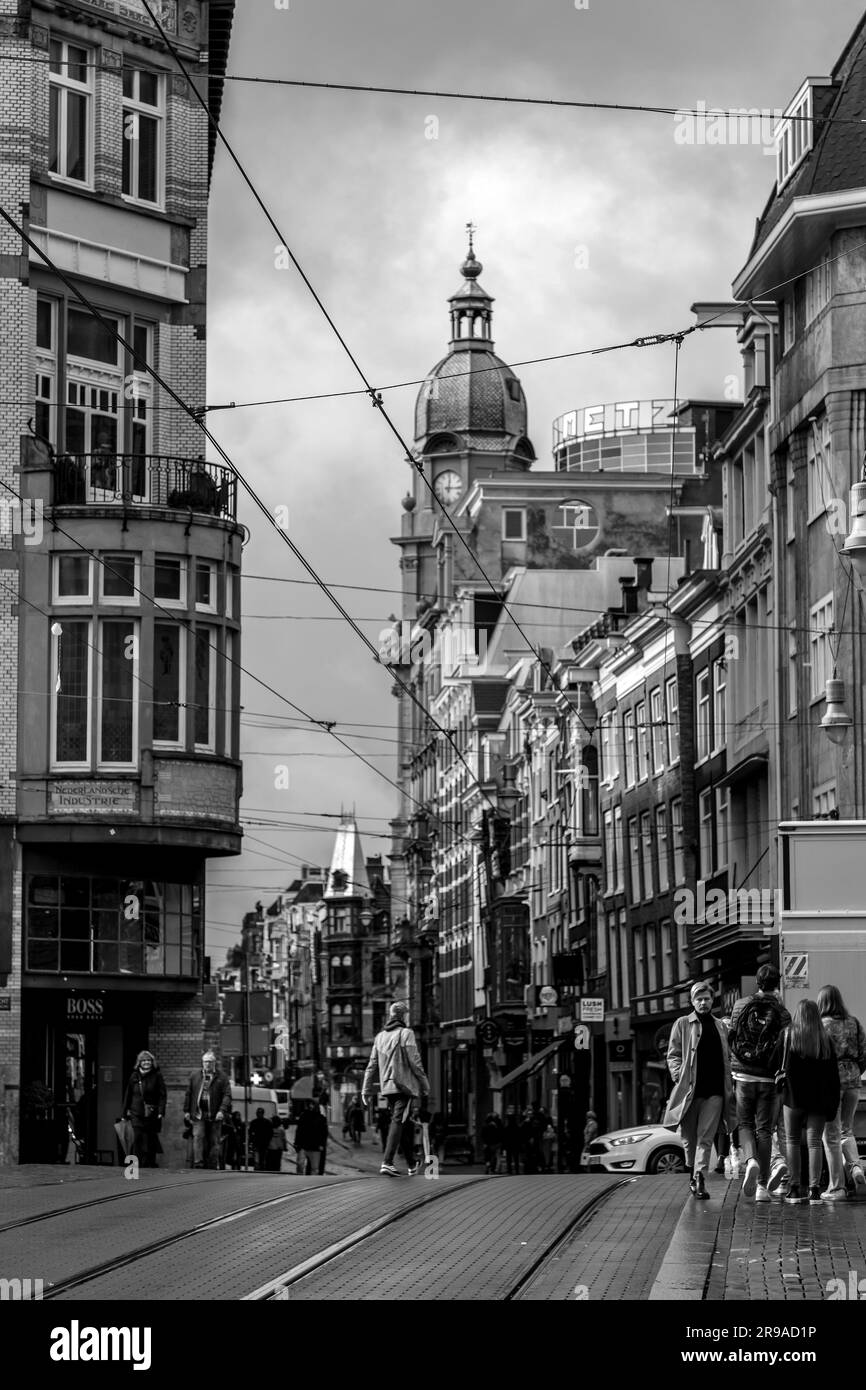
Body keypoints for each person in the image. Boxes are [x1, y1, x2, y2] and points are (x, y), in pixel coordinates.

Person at [663, 981, 734, 1200]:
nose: (703, 1003)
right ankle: (693, 1175)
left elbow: (728, 1056)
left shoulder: (721, 1026)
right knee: (689, 1138)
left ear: (713, 1000)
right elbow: (673, 1054)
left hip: (715, 1092)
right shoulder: (682, 1024)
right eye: (699, 999)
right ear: (692, 1002)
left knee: (705, 1137)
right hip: (689, 1092)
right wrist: (677, 1075)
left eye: (707, 999)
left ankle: (701, 1178)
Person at [728, 964, 791, 1203]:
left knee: (744, 1123)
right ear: (777, 983)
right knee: (765, 1129)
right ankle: (763, 1186)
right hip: (769, 1076)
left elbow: (732, 1034)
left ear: (757, 981)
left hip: (743, 1076)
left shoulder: (740, 1005)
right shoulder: (782, 1012)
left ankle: (750, 1159)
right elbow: (786, 1045)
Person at [774, 998, 840, 1204]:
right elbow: (833, 1077)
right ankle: (813, 1190)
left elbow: (773, 1063)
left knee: (792, 1141)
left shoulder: (787, 1035)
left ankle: (794, 1189)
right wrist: (833, 1104)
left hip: (793, 1099)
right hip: (818, 1101)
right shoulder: (825, 1040)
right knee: (814, 1144)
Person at [361, 1000, 431, 1177]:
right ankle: (387, 1162)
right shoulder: (406, 1033)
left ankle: (411, 1163)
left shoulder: (379, 1037)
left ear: (390, 1015)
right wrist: (425, 1084)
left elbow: (371, 1065)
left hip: (387, 1087)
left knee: (402, 1123)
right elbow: (415, 1063)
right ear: (403, 1016)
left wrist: (366, 1089)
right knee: (398, 1120)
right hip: (403, 1087)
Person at [818, 984, 866, 1200]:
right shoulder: (854, 1022)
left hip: (830, 1083)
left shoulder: (821, 1025)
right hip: (854, 1080)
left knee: (831, 1135)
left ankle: (836, 1187)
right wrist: (855, 1072)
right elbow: (864, 1053)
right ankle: (855, 1167)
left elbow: (817, 1058)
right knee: (847, 1129)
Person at [183, 1051, 231, 1170]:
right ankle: (198, 1164)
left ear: (214, 1063)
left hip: (215, 1114)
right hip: (198, 1114)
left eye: (210, 1062)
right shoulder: (195, 1076)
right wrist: (187, 1111)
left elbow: (227, 1095)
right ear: (202, 1063)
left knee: (214, 1141)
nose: (207, 1064)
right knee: (198, 1137)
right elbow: (189, 1093)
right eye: (205, 1062)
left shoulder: (222, 1077)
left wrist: (222, 1111)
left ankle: (212, 1164)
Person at [122, 1050, 166, 1169]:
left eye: (149, 1060)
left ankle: (149, 1163)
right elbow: (128, 1094)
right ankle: (137, 1164)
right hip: (136, 1113)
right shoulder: (134, 1076)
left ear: (152, 1062)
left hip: (151, 1113)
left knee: (150, 1139)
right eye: (144, 1060)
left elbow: (162, 1095)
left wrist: (161, 1111)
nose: (146, 1062)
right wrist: (124, 1112)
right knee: (137, 1138)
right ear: (139, 1062)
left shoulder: (157, 1076)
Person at [294, 1099, 328, 1175]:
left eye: (312, 1105)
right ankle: (299, 1178)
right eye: (309, 1105)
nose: (310, 1106)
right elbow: (299, 1130)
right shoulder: (303, 1116)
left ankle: (312, 1181)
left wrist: (322, 1144)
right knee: (300, 1164)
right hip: (303, 1145)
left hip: (315, 1146)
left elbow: (324, 1133)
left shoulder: (321, 1119)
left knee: (314, 1168)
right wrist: (296, 1142)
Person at [249, 1107, 273, 1172]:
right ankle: (258, 1168)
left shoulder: (266, 1122)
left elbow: (270, 1133)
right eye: (258, 1113)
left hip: (263, 1144)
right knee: (258, 1159)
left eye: (260, 1113)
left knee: (262, 1158)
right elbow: (250, 1133)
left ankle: (261, 1168)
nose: (259, 1114)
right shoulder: (254, 1122)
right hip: (257, 1143)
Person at [503, 1106, 522, 1174]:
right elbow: (519, 1137)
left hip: (509, 1145)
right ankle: (516, 1170)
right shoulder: (517, 1128)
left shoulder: (506, 1128)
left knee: (509, 1158)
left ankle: (509, 1170)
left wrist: (504, 1146)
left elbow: (504, 1138)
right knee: (516, 1158)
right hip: (515, 1145)